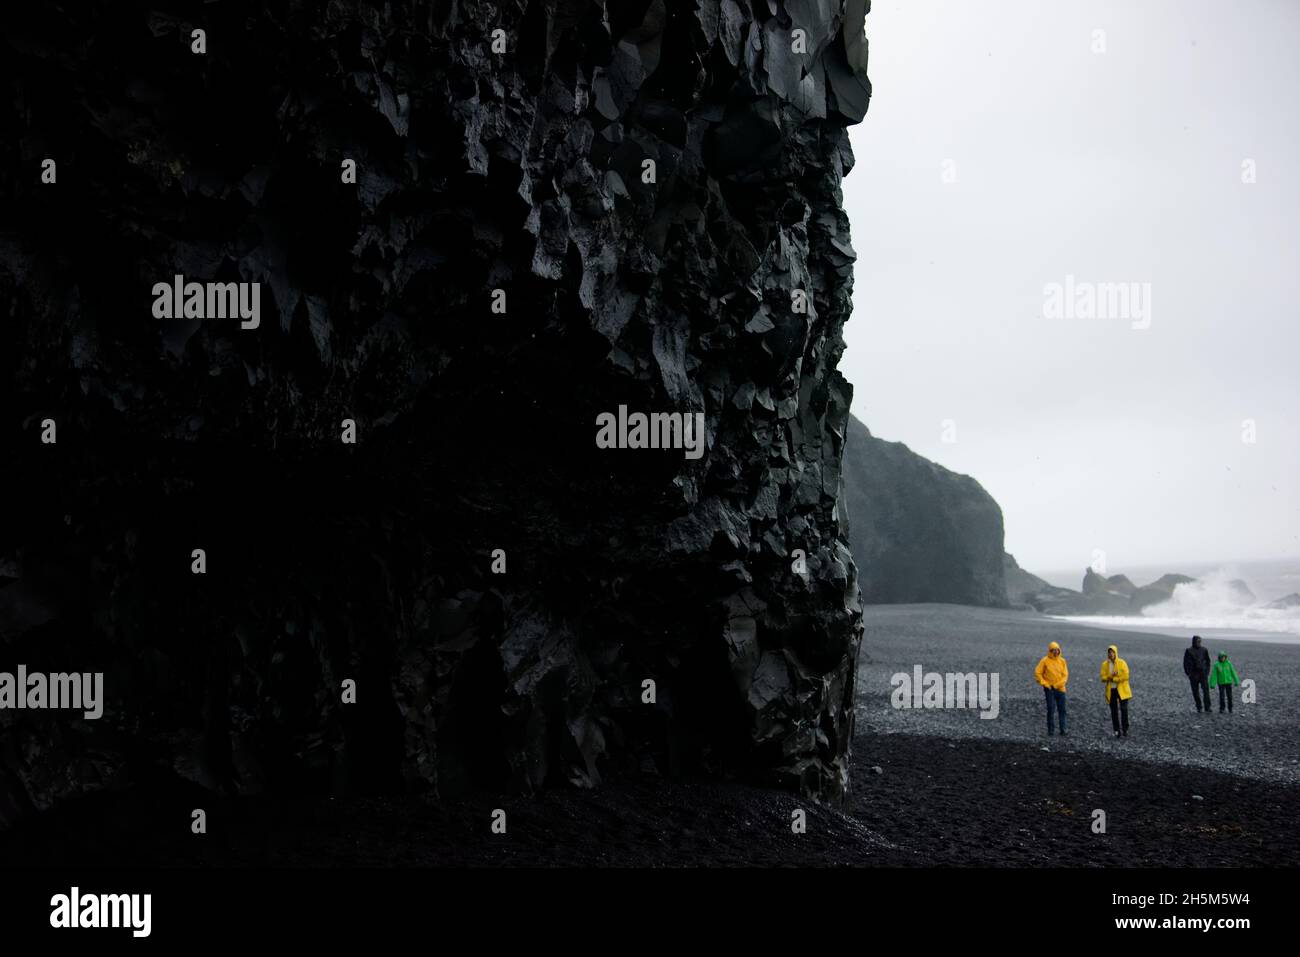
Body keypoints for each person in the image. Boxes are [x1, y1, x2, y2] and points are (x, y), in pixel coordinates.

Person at [1035, 641, 1069, 736]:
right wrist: (1045, 684)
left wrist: (1057, 685)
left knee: (1062, 710)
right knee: (1051, 709)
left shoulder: (1062, 661)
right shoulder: (1045, 660)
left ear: (1059, 650)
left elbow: (1065, 676)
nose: (1055, 652)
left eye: (1057, 650)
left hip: (1060, 689)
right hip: (1049, 689)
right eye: (1053, 650)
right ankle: (1051, 730)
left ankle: (1063, 729)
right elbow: (1037, 673)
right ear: (1050, 651)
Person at [1099, 644, 1131, 737]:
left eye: (1112, 652)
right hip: (1111, 690)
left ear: (1115, 653)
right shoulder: (1105, 665)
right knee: (1114, 711)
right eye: (1109, 652)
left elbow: (1126, 676)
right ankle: (1116, 730)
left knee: (1124, 709)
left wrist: (1115, 679)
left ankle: (1125, 729)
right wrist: (1111, 676)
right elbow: (1103, 678)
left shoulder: (1122, 663)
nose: (1111, 654)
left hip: (1122, 690)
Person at [1183, 635, 1211, 713]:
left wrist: (1207, 671)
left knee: (1206, 691)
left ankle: (1207, 707)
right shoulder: (1189, 650)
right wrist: (1188, 673)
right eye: (1197, 641)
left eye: (1200, 641)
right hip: (1193, 674)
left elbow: (1208, 661)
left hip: (1203, 674)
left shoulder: (1204, 650)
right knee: (1195, 692)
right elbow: (1185, 663)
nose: (1199, 643)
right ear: (1194, 641)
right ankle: (1199, 707)